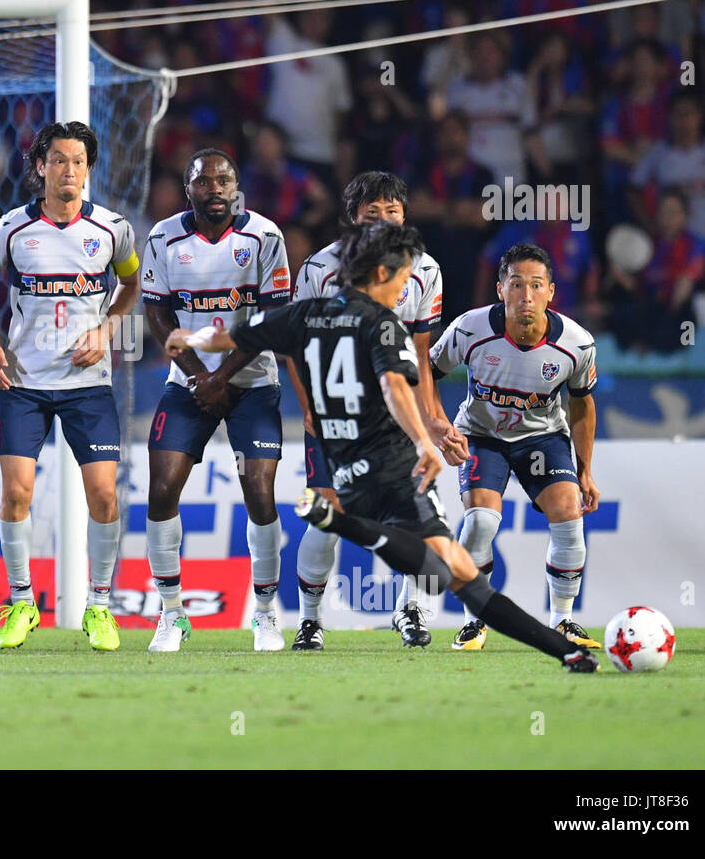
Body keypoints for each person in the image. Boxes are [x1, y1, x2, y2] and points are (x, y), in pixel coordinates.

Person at [166, 222, 597, 674]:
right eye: (402, 278)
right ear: (380, 273)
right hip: (394, 467)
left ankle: (348, 527)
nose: (405, 289)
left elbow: (228, 336)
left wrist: (187, 339)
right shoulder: (384, 326)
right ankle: (564, 650)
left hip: (344, 471)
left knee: (422, 564)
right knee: (454, 577)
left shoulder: (300, 316)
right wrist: (424, 442)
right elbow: (394, 386)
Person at [0, 121, 141, 651]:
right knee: (16, 492)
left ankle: (100, 608)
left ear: (89, 169)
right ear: (41, 167)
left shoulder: (112, 230)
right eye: (60, 160)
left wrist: (107, 327)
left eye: (79, 162)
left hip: (88, 384)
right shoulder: (13, 229)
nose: (70, 171)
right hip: (24, 381)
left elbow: (132, 283)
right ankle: (22, 603)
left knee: (105, 495)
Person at [288, 171, 467, 650]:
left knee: (422, 514)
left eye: (393, 212)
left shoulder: (425, 270)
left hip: (396, 413)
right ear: (351, 220)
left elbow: (422, 356)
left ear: (405, 216)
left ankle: (412, 611)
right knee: (326, 514)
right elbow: (294, 343)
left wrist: (435, 418)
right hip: (337, 412)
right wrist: (309, 405)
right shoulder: (320, 269)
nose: (384, 222)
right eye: (372, 214)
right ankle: (310, 621)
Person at [141, 149, 291, 652]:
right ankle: (171, 612)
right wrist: (198, 375)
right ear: (189, 190)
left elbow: (271, 321)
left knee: (260, 492)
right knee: (161, 489)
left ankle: (266, 613)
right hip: (187, 381)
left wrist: (221, 376)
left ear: (237, 186)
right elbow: (157, 314)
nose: (215, 189)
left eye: (224, 180)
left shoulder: (265, 237)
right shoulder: (163, 236)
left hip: (252, 382)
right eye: (203, 182)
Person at [431, 244, 601, 651]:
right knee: (481, 523)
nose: (526, 295)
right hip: (481, 436)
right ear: (500, 289)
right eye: (517, 284)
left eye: (536, 285)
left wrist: (586, 469)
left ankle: (562, 620)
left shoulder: (576, 344)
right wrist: (438, 427)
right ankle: (475, 621)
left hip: (542, 438)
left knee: (568, 511)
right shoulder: (470, 329)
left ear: (551, 293)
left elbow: (582, 403)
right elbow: (425, 372)